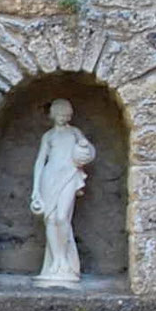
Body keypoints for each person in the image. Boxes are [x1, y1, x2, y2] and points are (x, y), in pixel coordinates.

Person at [29, 99, 95, 284]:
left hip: (68, 175)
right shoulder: (48, 136)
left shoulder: (75, 132)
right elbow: (40, 162)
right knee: (50, 219)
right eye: (58, 115)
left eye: (65, 115)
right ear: (53, 116)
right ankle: (56, 260)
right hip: (49, 178)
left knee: (62, 217)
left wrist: (84, 148)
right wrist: (35, 189)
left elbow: (88, 149)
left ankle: (65, 261)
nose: (62, 119)